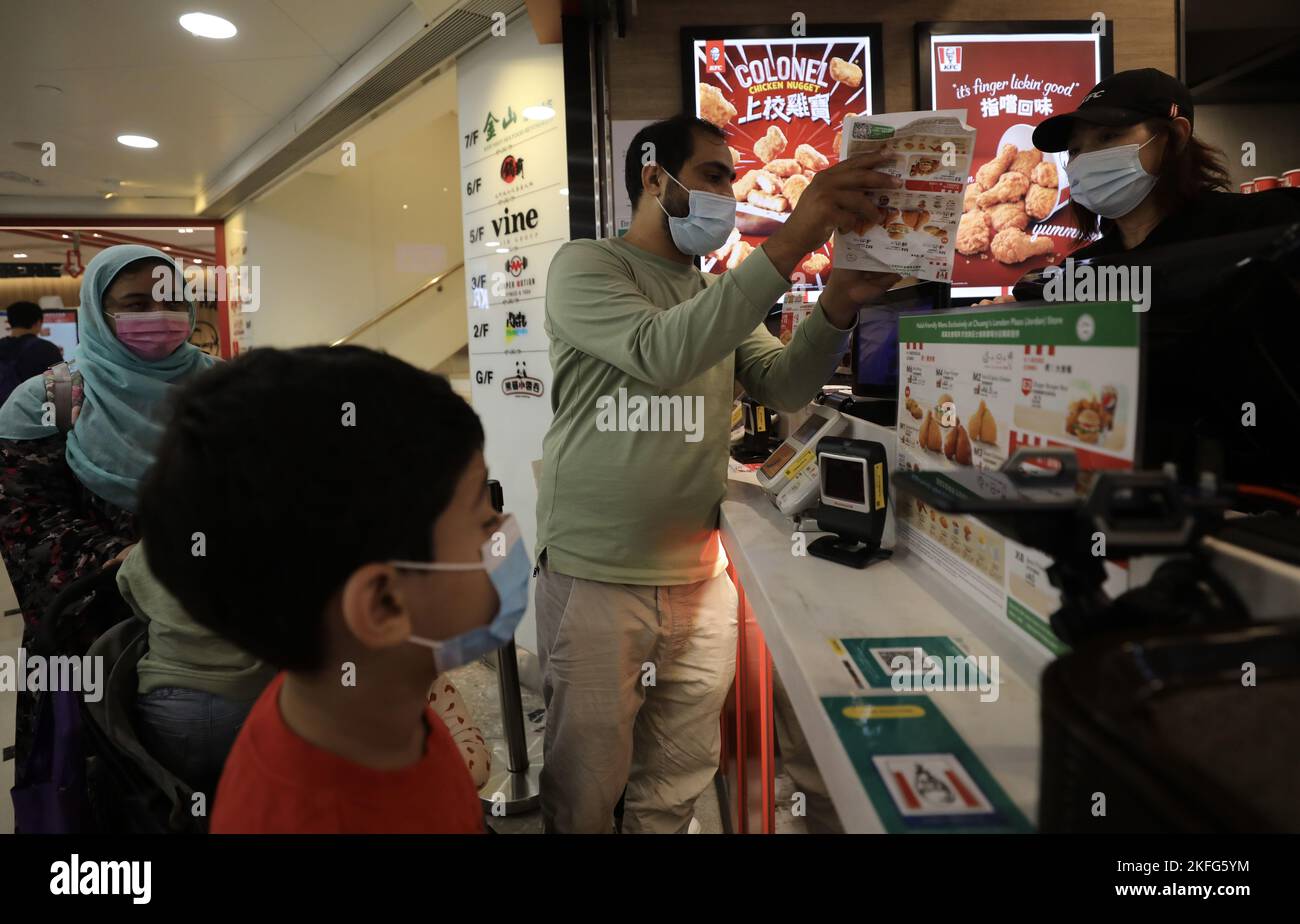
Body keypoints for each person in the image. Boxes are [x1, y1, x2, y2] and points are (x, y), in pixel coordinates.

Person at [534, 114, 900, 833]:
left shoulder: (714, 292)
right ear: (652, 178)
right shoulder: (587, 266)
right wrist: (795, 237)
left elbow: (785, 384)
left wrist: (839, 302)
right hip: (597, 574)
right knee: (584, 792)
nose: (728, 194)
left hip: (701, 581)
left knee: (673, 787)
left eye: (731, 178)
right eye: (713, 175)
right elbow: (660, 352)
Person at [138, 346, 527, 833]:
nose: (505, 532)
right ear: (384, 605)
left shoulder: (368, 702)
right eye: (483, 516)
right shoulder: (326, 814)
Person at [0, 245, 220, 774]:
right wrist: (130, 561)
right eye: (135, 302)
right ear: (99, 310)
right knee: (104, 780)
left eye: (168, 299)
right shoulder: (57, 394)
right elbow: (27, 519)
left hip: (212, 619)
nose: (156, 316)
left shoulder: (221, 385)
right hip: (94, 621)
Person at [1029, 68, 1300, 483]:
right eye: (1076, 150)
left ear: (1173, 136)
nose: (1084, 162)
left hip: (1253, 498)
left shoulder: (1254, 225)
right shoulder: (1081, 270)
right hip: (1118, 492)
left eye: (1107, 138)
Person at [0, 301, 64, 404]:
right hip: (36, 415)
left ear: (9, 322)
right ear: (38, 322)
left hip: (4, 415)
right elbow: (63, 390)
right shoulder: (48, 349)